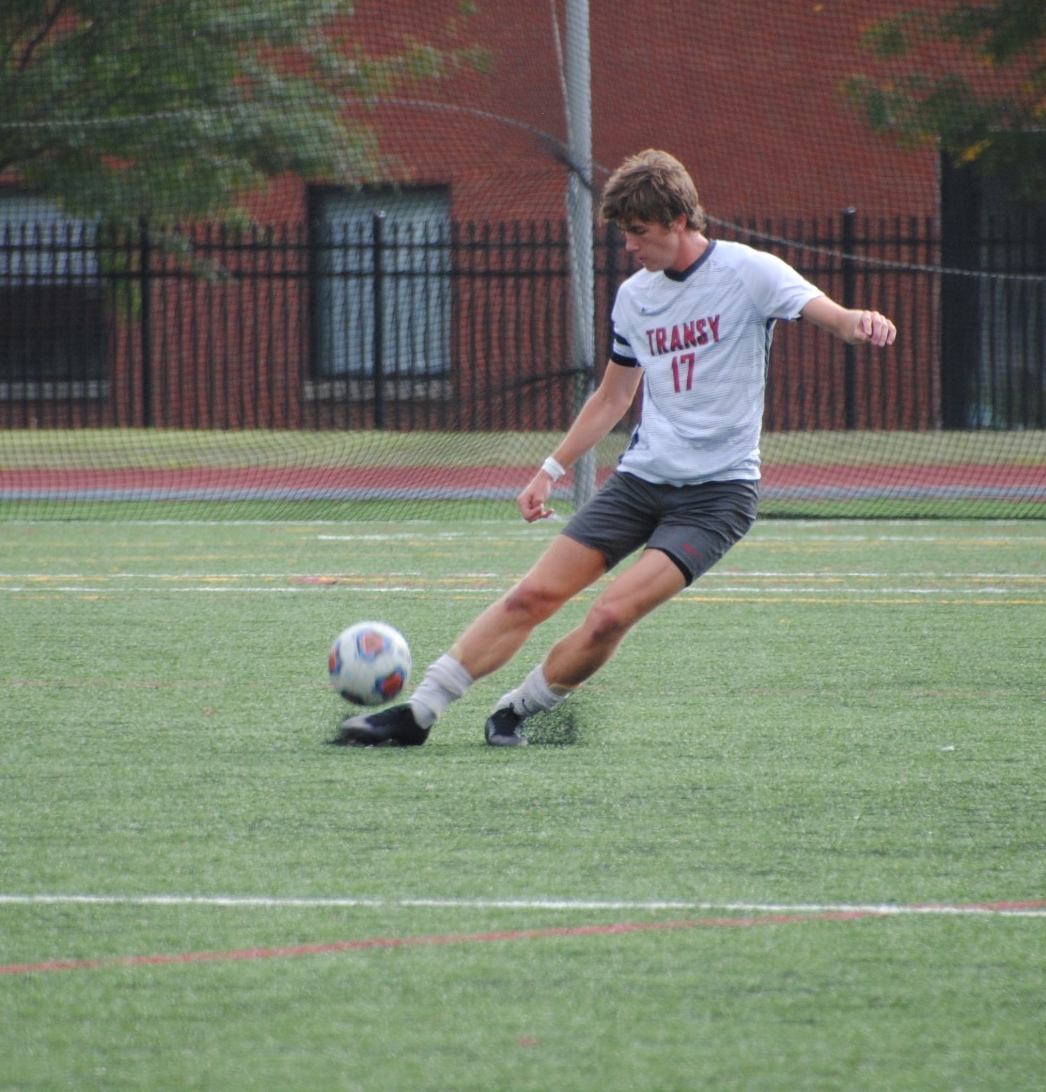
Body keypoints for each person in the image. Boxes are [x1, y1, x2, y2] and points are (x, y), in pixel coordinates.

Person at [337, 149, 898, 748]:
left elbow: (832, 316)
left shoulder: (749, 271)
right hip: (639, 482)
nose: (629, 246)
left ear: (679, 220)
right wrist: (549, 469)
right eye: (624, 233)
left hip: (717, 498)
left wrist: (859, 321)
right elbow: (612, 398)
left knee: (609, 616)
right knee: (533, 595)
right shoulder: (635, 297)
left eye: (639, 231)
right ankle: (418, 714)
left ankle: (516, 710)